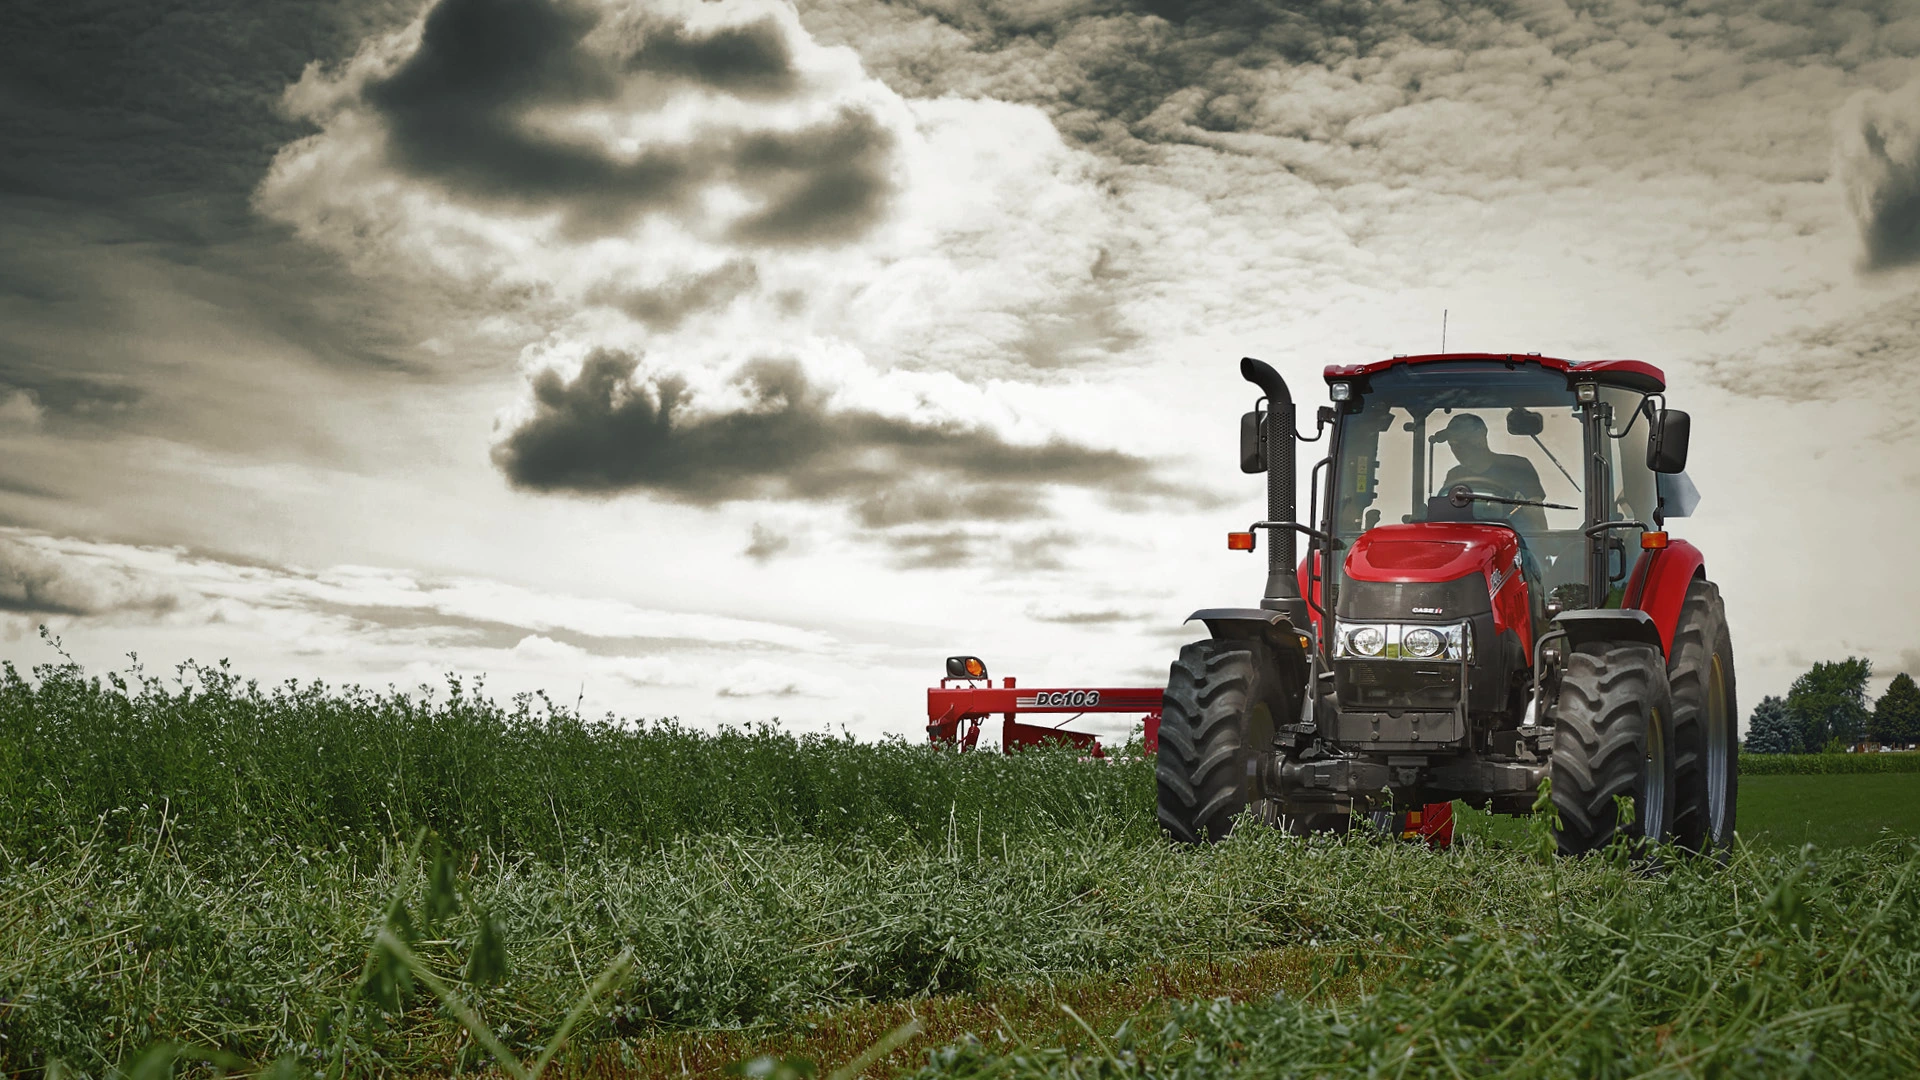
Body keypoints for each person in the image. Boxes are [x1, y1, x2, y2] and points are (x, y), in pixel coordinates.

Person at [1433, 413, 1547, 530]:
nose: (1456, 450)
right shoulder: (1454, 475)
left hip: (1515, 542)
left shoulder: (1517, 467)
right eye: (1452, 444)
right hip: (1469, 542)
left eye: (1463, 442)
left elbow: (1536, 515)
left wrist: (1543, 545)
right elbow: (1444, 517)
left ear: (1480, 437)